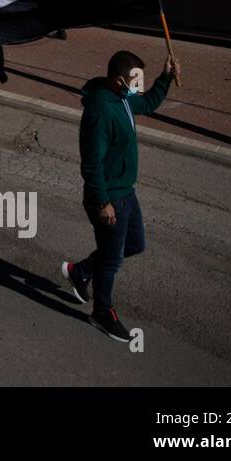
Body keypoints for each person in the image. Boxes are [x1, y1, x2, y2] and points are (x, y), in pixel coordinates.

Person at [62, 50, 180, 343]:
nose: (137, 86)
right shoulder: (101, 111)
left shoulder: (123, 99)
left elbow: (149, 102)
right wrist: (104, 202)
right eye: (134, 80)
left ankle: (81, 271)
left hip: (126, 191)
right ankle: (102, 312)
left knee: (135, 244)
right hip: (109, 198)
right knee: (111, 260)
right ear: (118, 80)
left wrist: (165, 77)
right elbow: (91, 164)